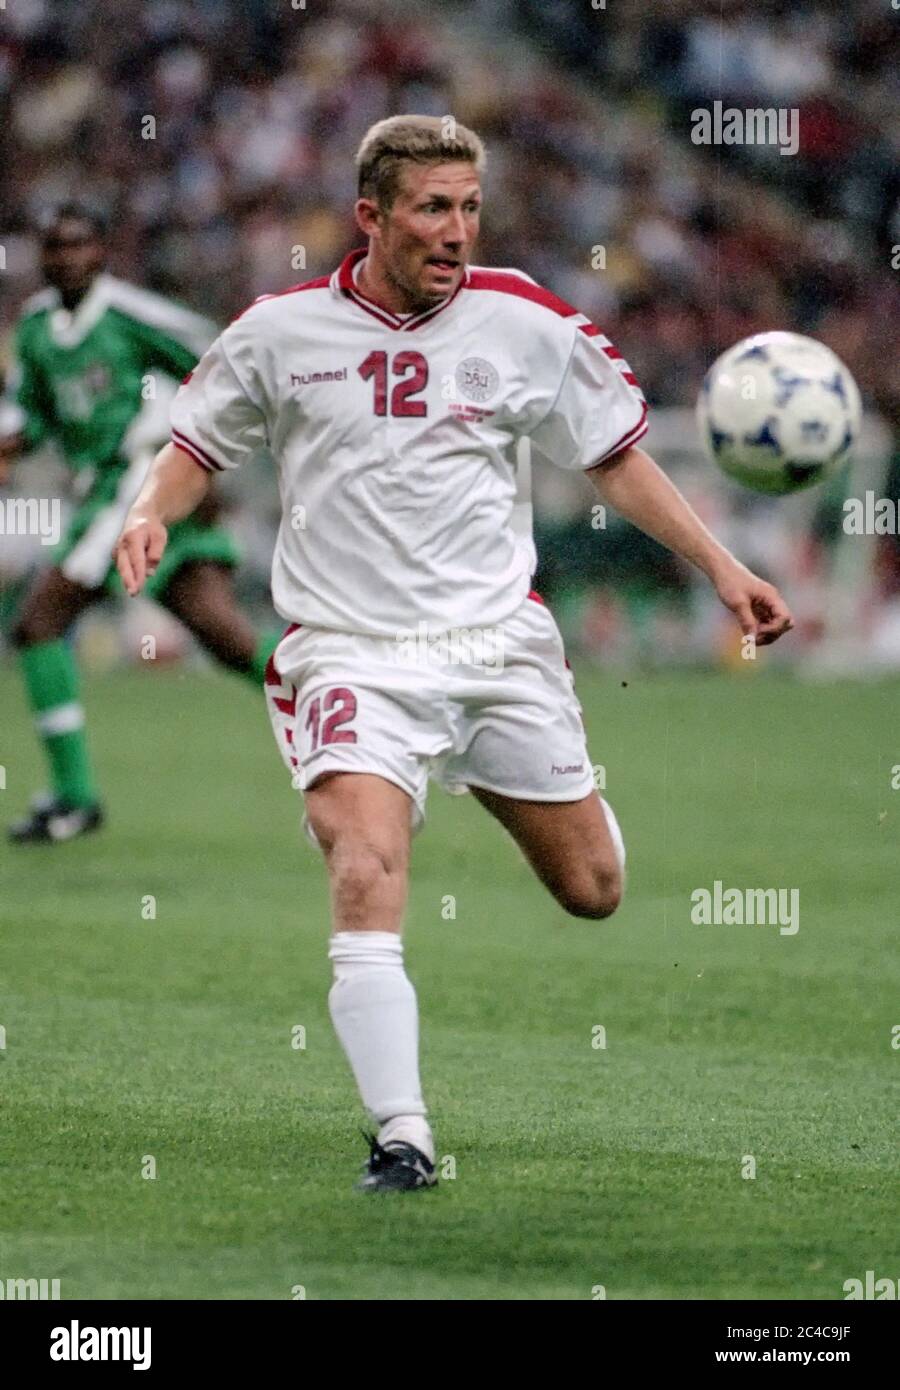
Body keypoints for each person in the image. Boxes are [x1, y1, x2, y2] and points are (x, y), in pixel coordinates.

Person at [114, 116, 793, 1192]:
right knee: (363, 861)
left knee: (595, 887)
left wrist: (720, 565)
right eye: (434, 208)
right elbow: (196, 443)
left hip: (495, 649)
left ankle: (505, 770)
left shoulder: (523, 321)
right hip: (349, 654)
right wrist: (153, 510)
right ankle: (404, 1132)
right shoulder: (279, 332)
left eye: (471, 208)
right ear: (371, 216)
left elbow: (615, 460)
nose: (457, 232)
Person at [1, 204, 278, 843]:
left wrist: (203, 449)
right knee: (229, 642)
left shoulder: (132, 313)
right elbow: (31, 413)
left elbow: (222, 355)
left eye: (80, 244)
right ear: (42, 258)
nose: (67, 256)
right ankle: (358, 700)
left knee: (39, 623)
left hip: (138, 485)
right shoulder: (39, 327)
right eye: (55, 247)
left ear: (102, 252)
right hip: (112, 493)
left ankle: (74, 798)